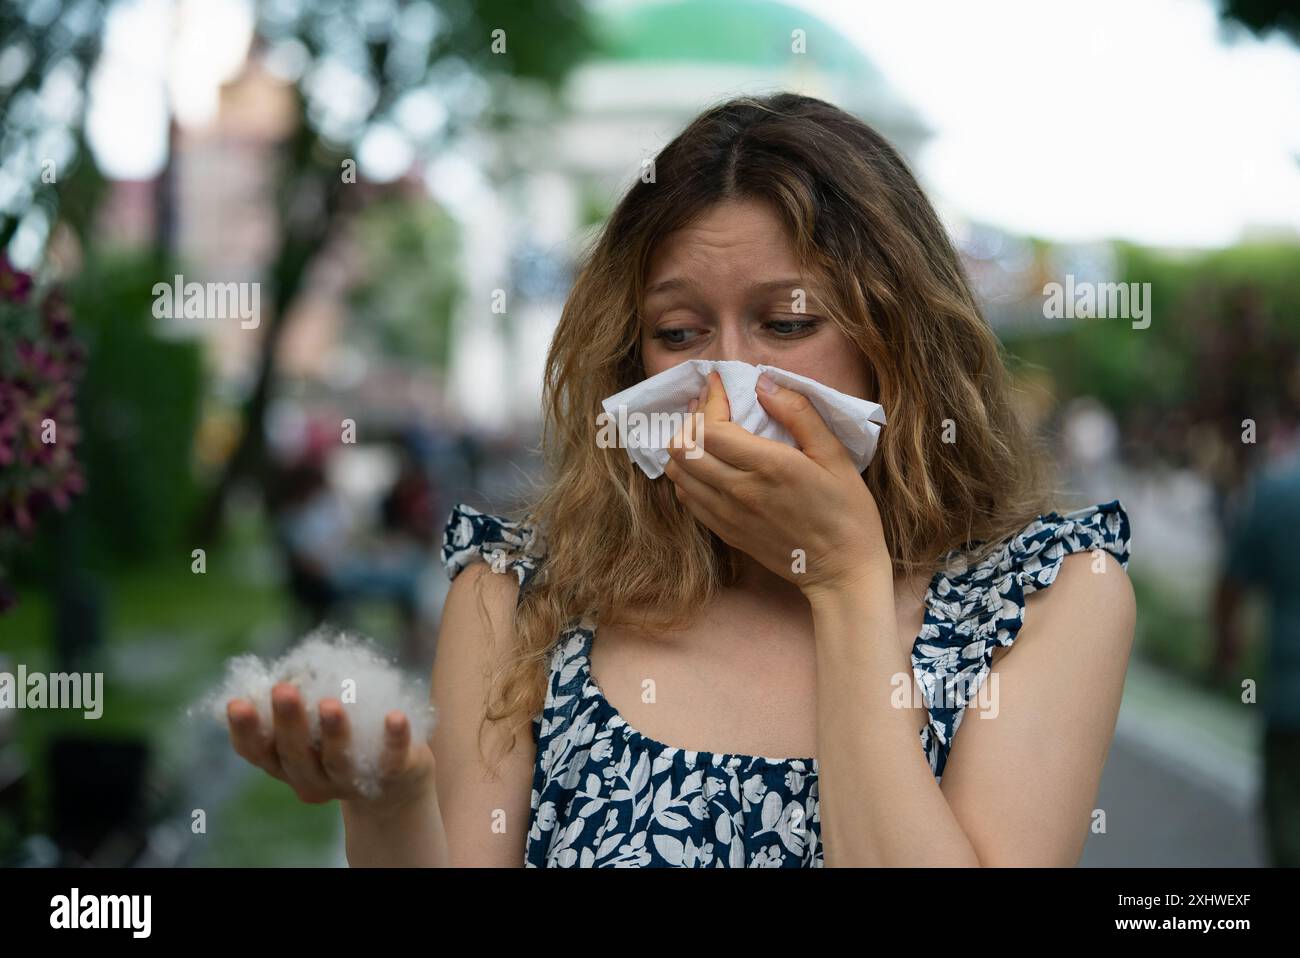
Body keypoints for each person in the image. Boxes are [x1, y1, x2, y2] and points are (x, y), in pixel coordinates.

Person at [225, 93, 1135, 867]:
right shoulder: (520, 600)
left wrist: (844, 580)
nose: (725, 381)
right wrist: (389, 803)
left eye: (785, 323)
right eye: (679, 333)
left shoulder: (1047, 598)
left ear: (897, 343)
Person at [1213, 447, 1300, 867]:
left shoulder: (1277, 493)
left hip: (1288, 701)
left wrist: (1226, 648)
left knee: (1287, 830)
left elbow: (1230, 584)